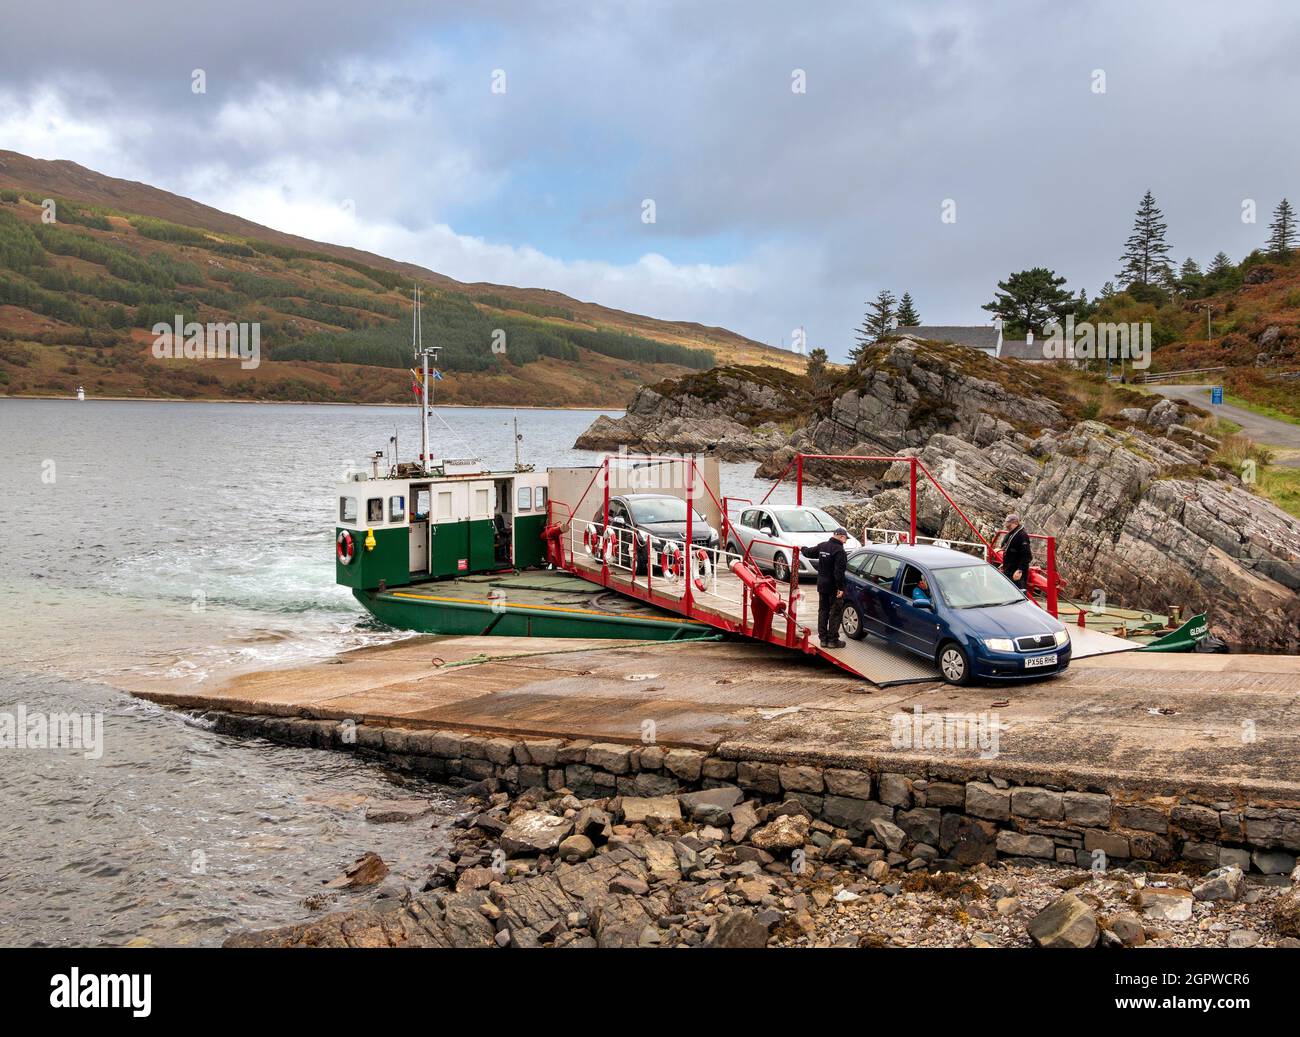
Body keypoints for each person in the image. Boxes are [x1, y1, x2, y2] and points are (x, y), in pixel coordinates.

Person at [804, 527, 850, 648]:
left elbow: (809, 552)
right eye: (845, 539)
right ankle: (832, 640)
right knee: (835, 612)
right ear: (842, 537)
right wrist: (841, 588)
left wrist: (802, 548)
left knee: (823, 611)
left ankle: (823, 639)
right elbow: (838, 572)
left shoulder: (823, 546)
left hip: (822, 585)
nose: (845, 542)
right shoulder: (839, 551)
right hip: (833, 587)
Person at [1001, 513, 1032, 591]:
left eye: (1009, 525)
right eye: (1006, 525)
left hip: (1016, 570)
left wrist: (1019, 570)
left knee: (1019, 592)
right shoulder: (1010, 534)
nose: (1007, 527)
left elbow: (1027, 555)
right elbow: (1004, 546)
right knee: (1008, 591)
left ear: (1016, 523)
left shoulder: (1022, 536)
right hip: (1008, 568)